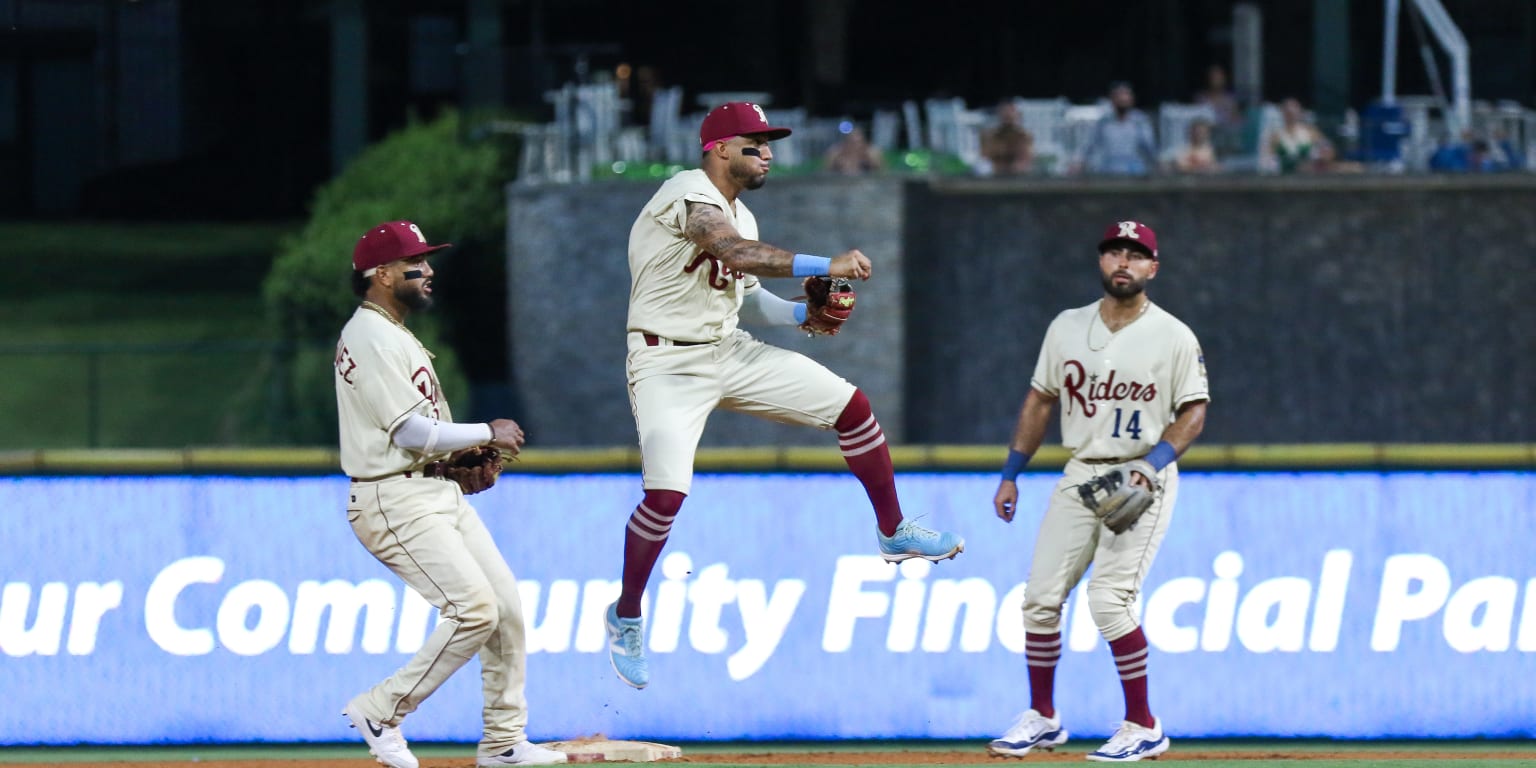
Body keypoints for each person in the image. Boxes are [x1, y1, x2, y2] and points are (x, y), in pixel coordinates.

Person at [605, 101, 965, 689]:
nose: (767, 150)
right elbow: (729, 252)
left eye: (769, 142)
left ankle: (893, 530)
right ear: (718, 148)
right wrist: (828, 262)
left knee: (853, 407)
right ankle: (625, 616)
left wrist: (804, 314)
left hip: (728, 349)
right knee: (666, 497)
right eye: (754, 142)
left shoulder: (742, 216)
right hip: (666, 360)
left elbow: (745, 298)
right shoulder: (686, 190)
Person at [335, 221, 567, 767]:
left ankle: (504, 742)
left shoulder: (392, 332)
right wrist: (486, 433)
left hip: (430, 492)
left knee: (506, 609)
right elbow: (409, 434)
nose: (428, 269)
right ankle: (382, 708)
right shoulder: (369, 335)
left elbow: (421, 438)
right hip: (392, 498)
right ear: (382, 274)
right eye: (416, 262)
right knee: (474, 611)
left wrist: (454, 458)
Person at [986, 221, 1209, 762]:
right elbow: (1041, 400)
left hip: (1140, 472)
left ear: (1153, 267)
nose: (1124, 262)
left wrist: (1154, 465)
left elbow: (1194, 410)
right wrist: (1013, 471)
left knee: (1109, 601)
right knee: (1038, 599)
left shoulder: (1174, 335)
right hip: (1081, 469)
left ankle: (1144, 724)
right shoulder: (1067, 326)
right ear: (1101, 262)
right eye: (1114, 252)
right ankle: (1043, 716)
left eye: (1136, 254)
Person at [1074, 82, 1158, 176]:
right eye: (1119, 95)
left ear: (1131, 99)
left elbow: (1150, 148)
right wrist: (1079, 162)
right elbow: (1089, 146)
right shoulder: (1103, 123)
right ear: (1112, 99)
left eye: (1126, 95)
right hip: (1109, 171)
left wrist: (1159, 164)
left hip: (1134, 172)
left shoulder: (1140, 122)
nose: (1123, 99)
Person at [1259, 98, 1335, 174]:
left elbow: (1328, 151)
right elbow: (1266, 162)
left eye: (1294, 111)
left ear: (1300, 112)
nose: (1291, 115)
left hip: (1307, 178)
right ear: (1282, 113)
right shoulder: (1275, 136)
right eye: (1288, 112)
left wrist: (1321, 158)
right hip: (1284, 178)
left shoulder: (1311, 132)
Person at [979, 101, 1034, 176]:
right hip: (995, 177)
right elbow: (985, 158)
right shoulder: (990, 136)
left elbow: (1027, 158)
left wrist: (1016, 167)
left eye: (1010, 117)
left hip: (1019, 178)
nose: (1008, 120)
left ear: (1017, 116)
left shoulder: (1025, 137)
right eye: (1005, 117)